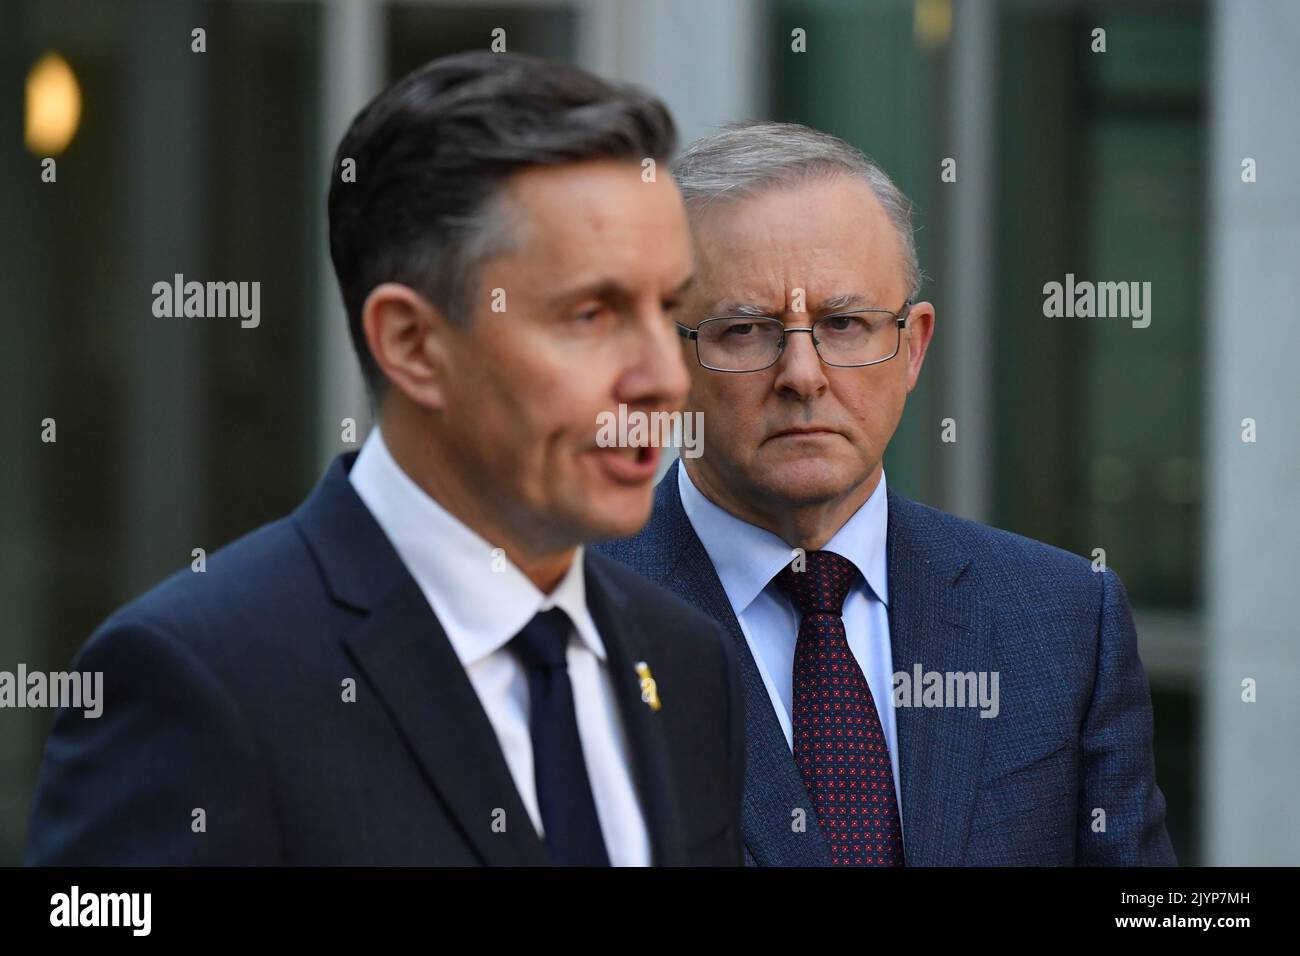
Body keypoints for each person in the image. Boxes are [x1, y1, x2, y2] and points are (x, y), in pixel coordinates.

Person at [25, 51, 743, 867]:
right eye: (589, 314)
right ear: (411, 343)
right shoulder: (200, 681)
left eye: (669, 309)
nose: (663, 378)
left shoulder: (685, 665)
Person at [597, 121, 1176, 866]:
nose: (802, 374)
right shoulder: (562, 617)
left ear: (913, 348)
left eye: (844, 324)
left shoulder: (1064, 622)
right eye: (744, 329)